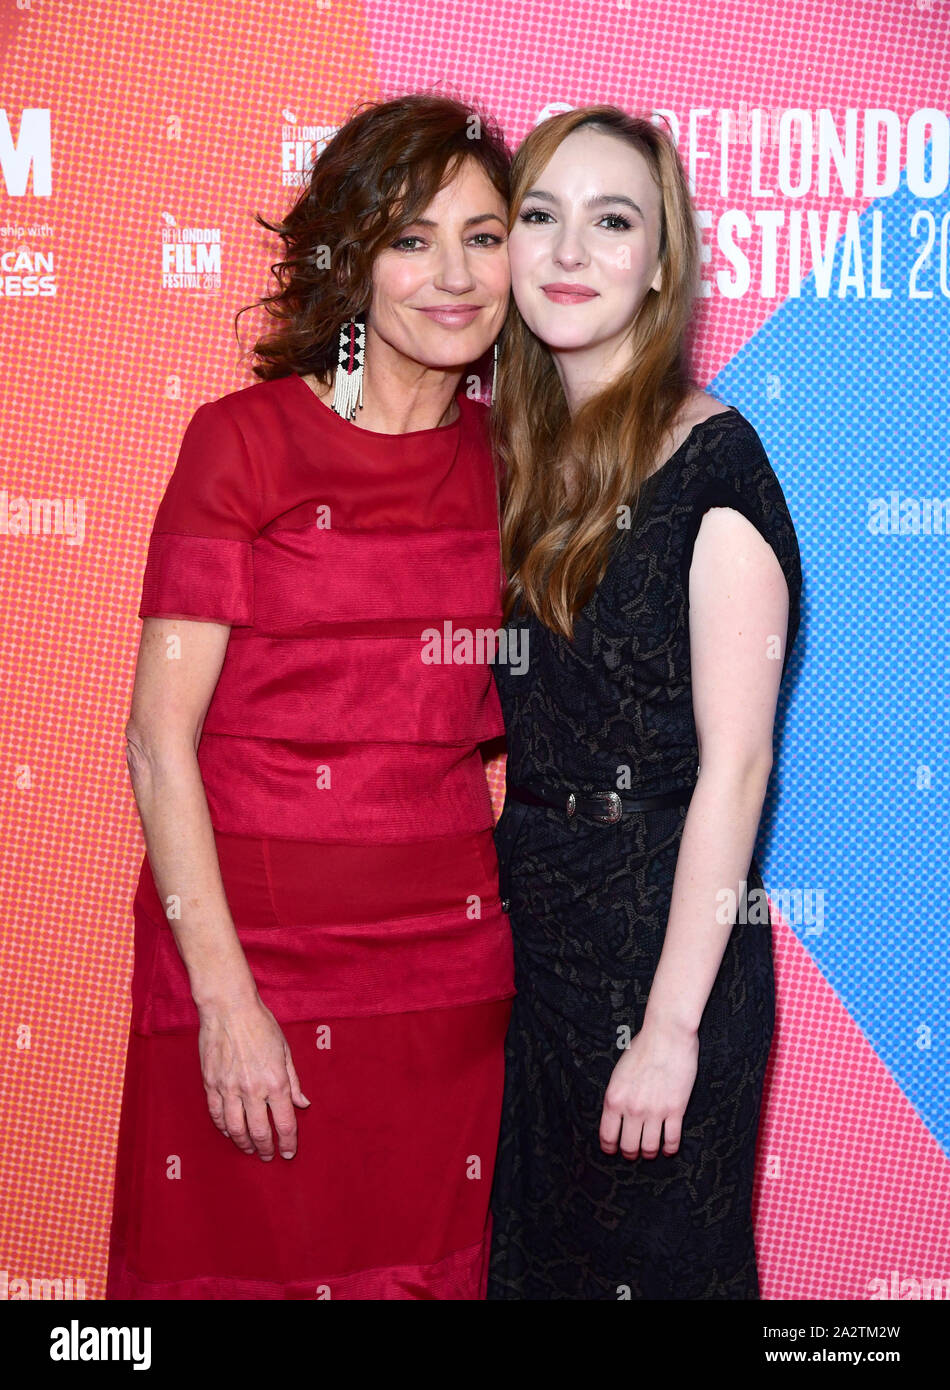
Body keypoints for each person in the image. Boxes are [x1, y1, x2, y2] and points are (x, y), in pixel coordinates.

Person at [107, 93, 514, 1300]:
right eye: (411, 238)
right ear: (352, 261)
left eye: (483, 238)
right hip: (245, 960)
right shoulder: (242, 443)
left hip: (441, 986)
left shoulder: (521, 468)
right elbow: (155, 744)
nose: (452, 275)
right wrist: (225, 998)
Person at [485, 105, 803, 1300]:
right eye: (538, 217)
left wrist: (667, 1031)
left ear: (660, 262)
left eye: (610, 221)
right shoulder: (512, 460)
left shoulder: (714, 465)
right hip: (530, 946)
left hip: (660, 953)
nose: (568, 253)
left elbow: (736, 768)